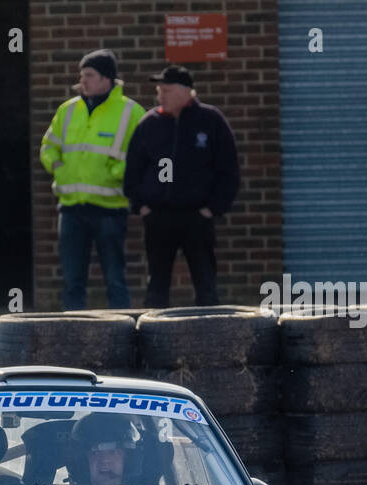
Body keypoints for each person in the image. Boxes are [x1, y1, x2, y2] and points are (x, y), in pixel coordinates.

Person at [123, 65, 240, 307]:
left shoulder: (210, 120)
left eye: (166, 90)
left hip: (197, 216)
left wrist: (213, 208)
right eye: (159, 90)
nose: (160, 96)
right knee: (156, 286)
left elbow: (228, 169)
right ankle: (152, 336)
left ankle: (213, 334)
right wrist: (141, 205)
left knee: (205, 283)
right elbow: (133, 167)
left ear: (186, 91)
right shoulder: (149, 123)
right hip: (158, 216)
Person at [40, 49, 145, 310]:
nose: (82, 80)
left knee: (115, 280)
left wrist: (117, 173)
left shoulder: (131, 112)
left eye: (89, 75)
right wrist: (57, 167)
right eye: (81, 74)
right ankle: (74, 338)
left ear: (107, 78)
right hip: (71, 208)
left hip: (110, 209)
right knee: (73, 281)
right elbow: (48, 146)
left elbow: (146, 156)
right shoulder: (67, 110)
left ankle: (124, 337)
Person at [70, 413, 141, 485]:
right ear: (84, 462)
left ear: (127, 459)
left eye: (112, 452)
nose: (104, 460)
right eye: (95, 453)